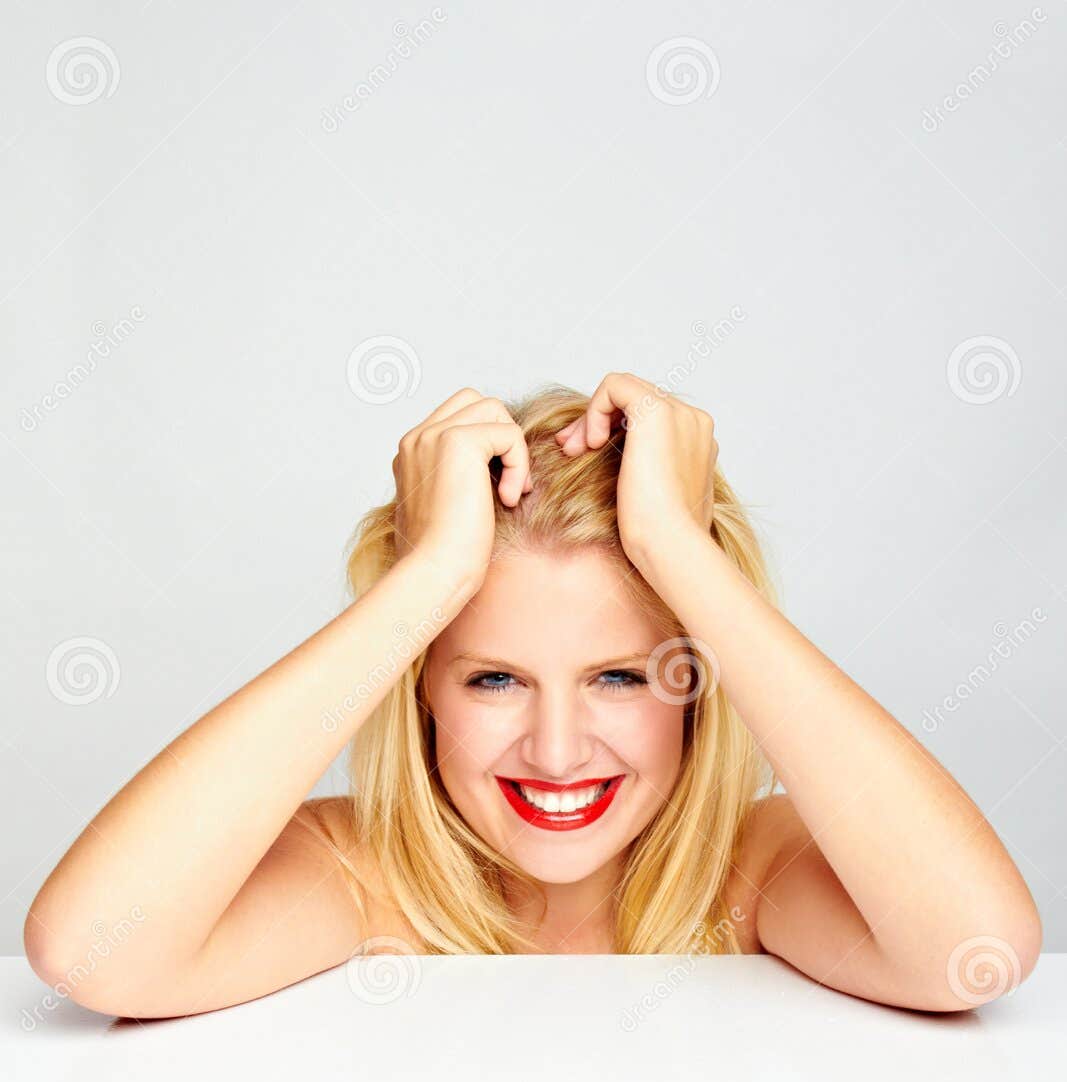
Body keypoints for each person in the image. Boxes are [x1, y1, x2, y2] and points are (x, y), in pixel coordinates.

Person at [24, 374, 1042, 1017]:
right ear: (418, 680)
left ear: (698, 684)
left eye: (617, 676)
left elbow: (975, 953)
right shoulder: (368, 880)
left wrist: (678, 552)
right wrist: (424, 579)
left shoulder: (752, 875)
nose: (556, 753)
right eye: (494, 677)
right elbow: (91, 954)